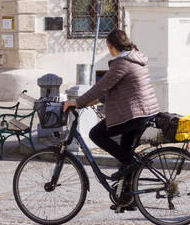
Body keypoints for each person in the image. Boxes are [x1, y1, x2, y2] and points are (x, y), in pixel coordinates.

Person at [63, 29, 159, 210]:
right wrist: (84, 103)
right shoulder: (135, 58)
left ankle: (131, 163)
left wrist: (77, 101)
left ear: (111, 46)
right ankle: (128, 198)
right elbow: (114, 91)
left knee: (96, 134)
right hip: (144, 111)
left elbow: (101, 86)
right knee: (124, 152)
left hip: (135, 114)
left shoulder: (123, 62)